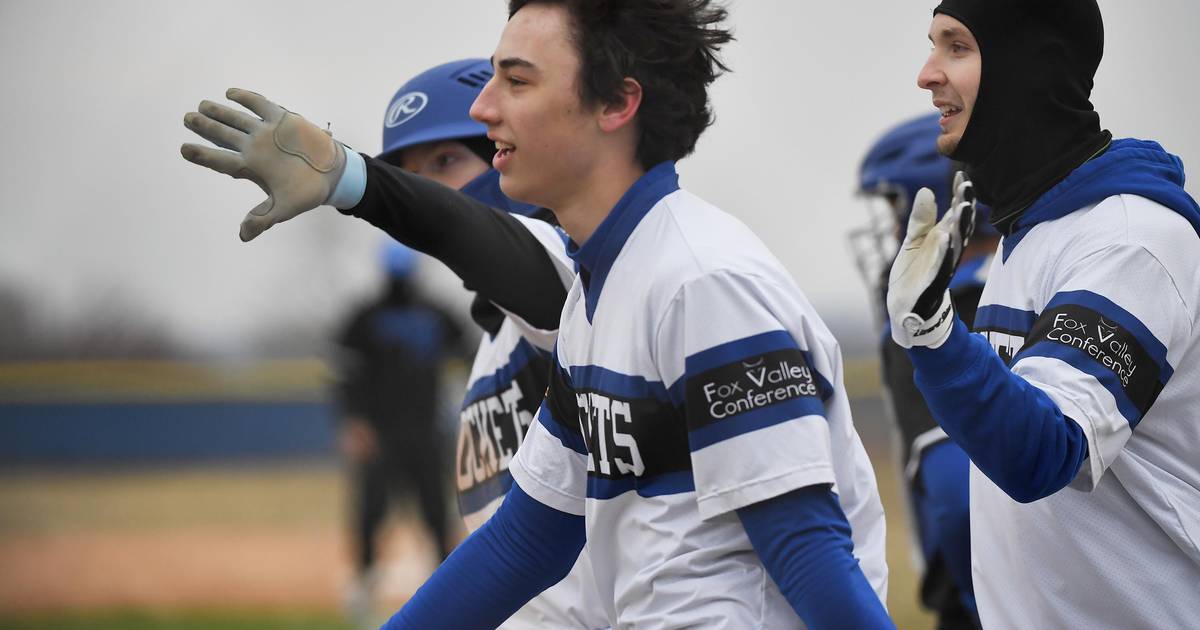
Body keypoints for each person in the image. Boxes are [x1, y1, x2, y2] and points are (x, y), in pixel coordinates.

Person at [179, 1, 894, 628]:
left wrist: (355, 180)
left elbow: (805, 550)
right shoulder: (598, 291)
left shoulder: (699, 281)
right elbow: (528, 538)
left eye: (517, 81)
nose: (488, 109)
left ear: (616, 104)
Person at [887, 1, 1200, 627]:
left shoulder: (1129, 240)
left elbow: (1045, 456)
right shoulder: (1031, 233)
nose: (926, 73)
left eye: (957, 47)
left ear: (1028, 68)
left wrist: (935, 335)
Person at [370, 57, 609, 629]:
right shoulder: (494, 339)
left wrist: (358, 185)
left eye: (445, 161)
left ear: (510, 153)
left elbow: (504, 251)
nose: (421, 189)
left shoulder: (571, 272)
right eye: (408, 173)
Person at [853, 112, 1000, 630]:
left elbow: (958, 498)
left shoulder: (929, 319)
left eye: (899, 206)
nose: (894, 229)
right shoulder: (1033, 294)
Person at [333, 240, 465, 626]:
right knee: (371, 511)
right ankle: (364, 582)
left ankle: (449, 587)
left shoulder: (436, 314)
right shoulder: (366, 317)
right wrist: (354, 421)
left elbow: (470, 351)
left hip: (426, 431)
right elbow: (346, 375)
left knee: (436, 511)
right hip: (381, 434)